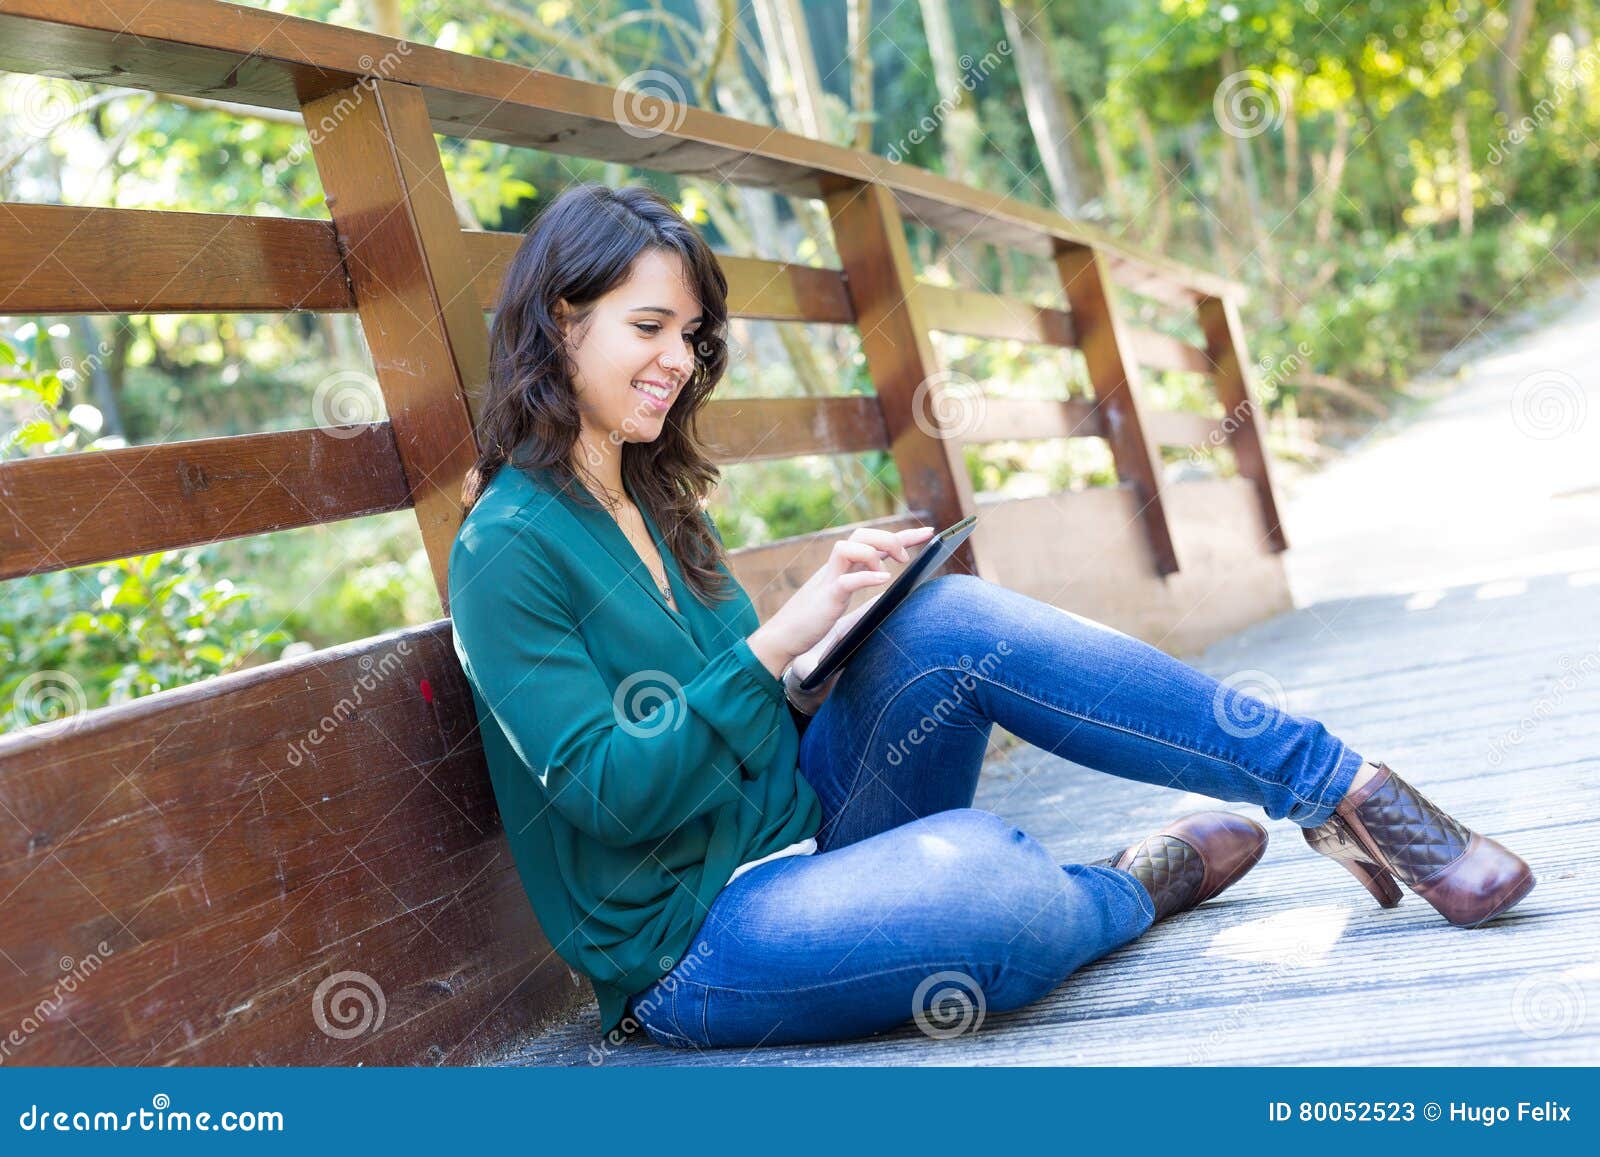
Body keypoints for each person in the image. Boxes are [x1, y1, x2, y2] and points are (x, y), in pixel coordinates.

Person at [447, 183, 1535, 1052]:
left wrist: (831, 632)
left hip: (797, 829)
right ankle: (1121, 886)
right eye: (649, 326)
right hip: (691, 944)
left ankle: (1341, 787)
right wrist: (775, 646)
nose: (679, 361)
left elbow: (740, 718)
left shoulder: (651, 495)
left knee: (948, 618)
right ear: (559, 317)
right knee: (988, 881)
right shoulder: (504, 549)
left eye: (692, 333)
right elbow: (612, 795)